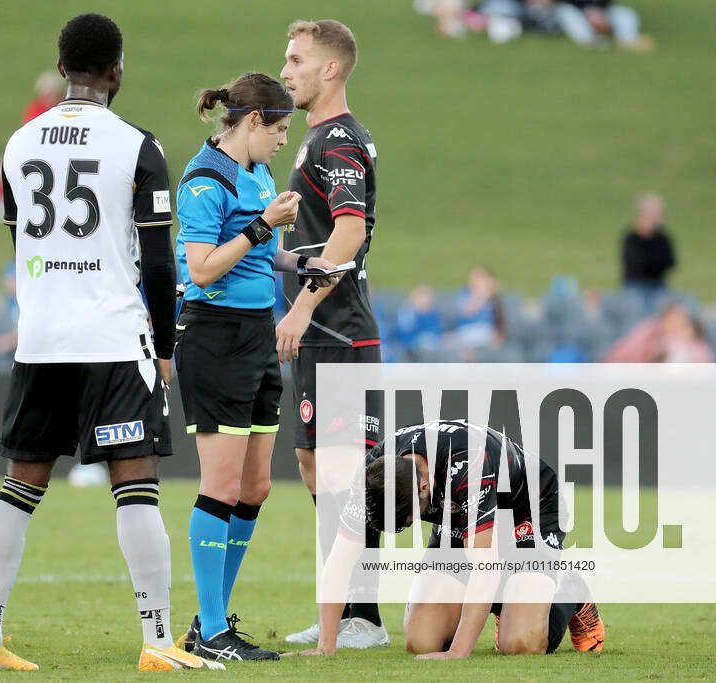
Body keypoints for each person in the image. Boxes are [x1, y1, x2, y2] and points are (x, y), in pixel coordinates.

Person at [0, 14, 220, 673]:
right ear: (117, 70)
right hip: (111, 334)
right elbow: (159, 265)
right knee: (136, 485)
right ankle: (158, 639)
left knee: (19, 484)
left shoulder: (18, 145)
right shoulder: (137, 146)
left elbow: (22, 244)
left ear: (62, 64)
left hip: (43, 335)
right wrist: (162, 347)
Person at [173, 72, 341, 663]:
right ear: (252, 123)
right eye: (279, 129)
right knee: (219, 485)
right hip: (213, 336)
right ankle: (213, 628)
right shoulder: (202, 179)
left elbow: (257, 256)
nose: (281, 141)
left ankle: (210, 622)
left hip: (256, 335)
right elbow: (201, 270)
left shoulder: (259, 173)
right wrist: (263, 225)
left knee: (256, 486)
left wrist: (302, 262)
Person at [290, 420, 606, 658]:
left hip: (528, 510)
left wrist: (458, 653)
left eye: (407, 521)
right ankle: (503, 601)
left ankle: (570, 592)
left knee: (519, 644)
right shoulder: (374, 471)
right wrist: (325, 647)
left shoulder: (469, 463)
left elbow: (484, 565)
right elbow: (340, 559)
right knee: (420, 640)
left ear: (424, 487)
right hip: (457, 515)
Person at [277, 19, 389, 648]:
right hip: (324, 334)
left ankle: (363, 619)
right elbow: (322, 236)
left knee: (348, 476)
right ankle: (338, 609)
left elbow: (348, 232)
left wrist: (300, 307)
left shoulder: (339, 140)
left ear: (330, 70)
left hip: (341, 332)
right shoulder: (317, 139)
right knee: (316, 467)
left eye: (296, 60)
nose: (286, 71)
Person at [621, 194, 676, 298]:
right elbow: (637, 264)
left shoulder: (662, 238)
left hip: (658, 286)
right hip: (635, 287)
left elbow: (671, 262)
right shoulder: (631, 238)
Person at [555, 0, 653, 50]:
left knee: (624, 13)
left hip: (601, 12)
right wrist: (587, 12)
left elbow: (605, 3)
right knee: (565, 11)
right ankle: (590, 40)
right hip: (577, 12)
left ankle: (627, 39)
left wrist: (598, 13)